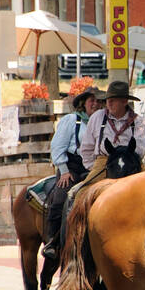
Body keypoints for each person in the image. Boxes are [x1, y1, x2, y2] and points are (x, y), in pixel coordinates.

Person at [43, 85, 101, 258]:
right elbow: (57, 146)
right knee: (60, 198)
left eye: (99, 101)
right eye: (92, 100)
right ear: (83, 103)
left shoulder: (103, 121)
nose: (96, 104)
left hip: (94, 166)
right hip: (71, 166)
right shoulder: (71, 120)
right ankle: (52, 241)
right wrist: (64, 170)